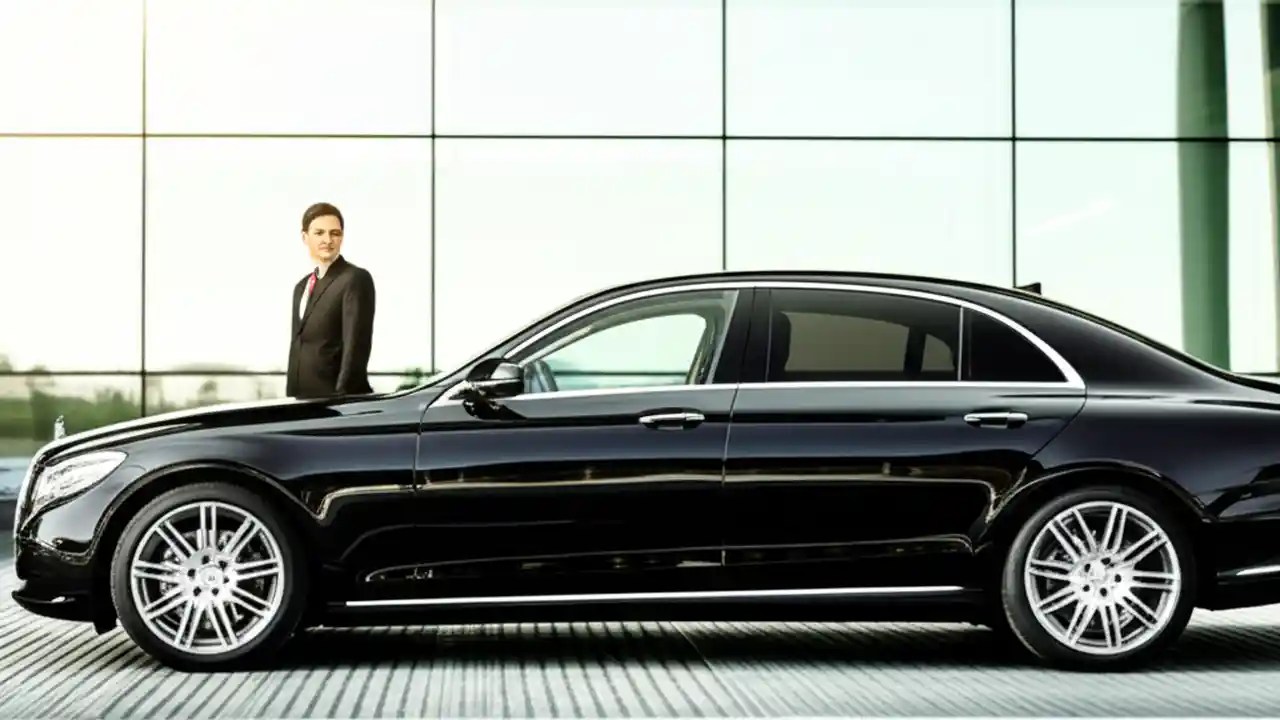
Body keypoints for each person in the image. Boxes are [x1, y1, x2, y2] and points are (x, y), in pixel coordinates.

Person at [286, 202, 376, 399]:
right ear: (304, 237)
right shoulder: (301, 287)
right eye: (319, 233)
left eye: (335, 233)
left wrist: (342, 401)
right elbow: (298, 346)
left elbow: (356, 347)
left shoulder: (355, 279)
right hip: (301, 403)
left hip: (335, 405)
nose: (328, 240)